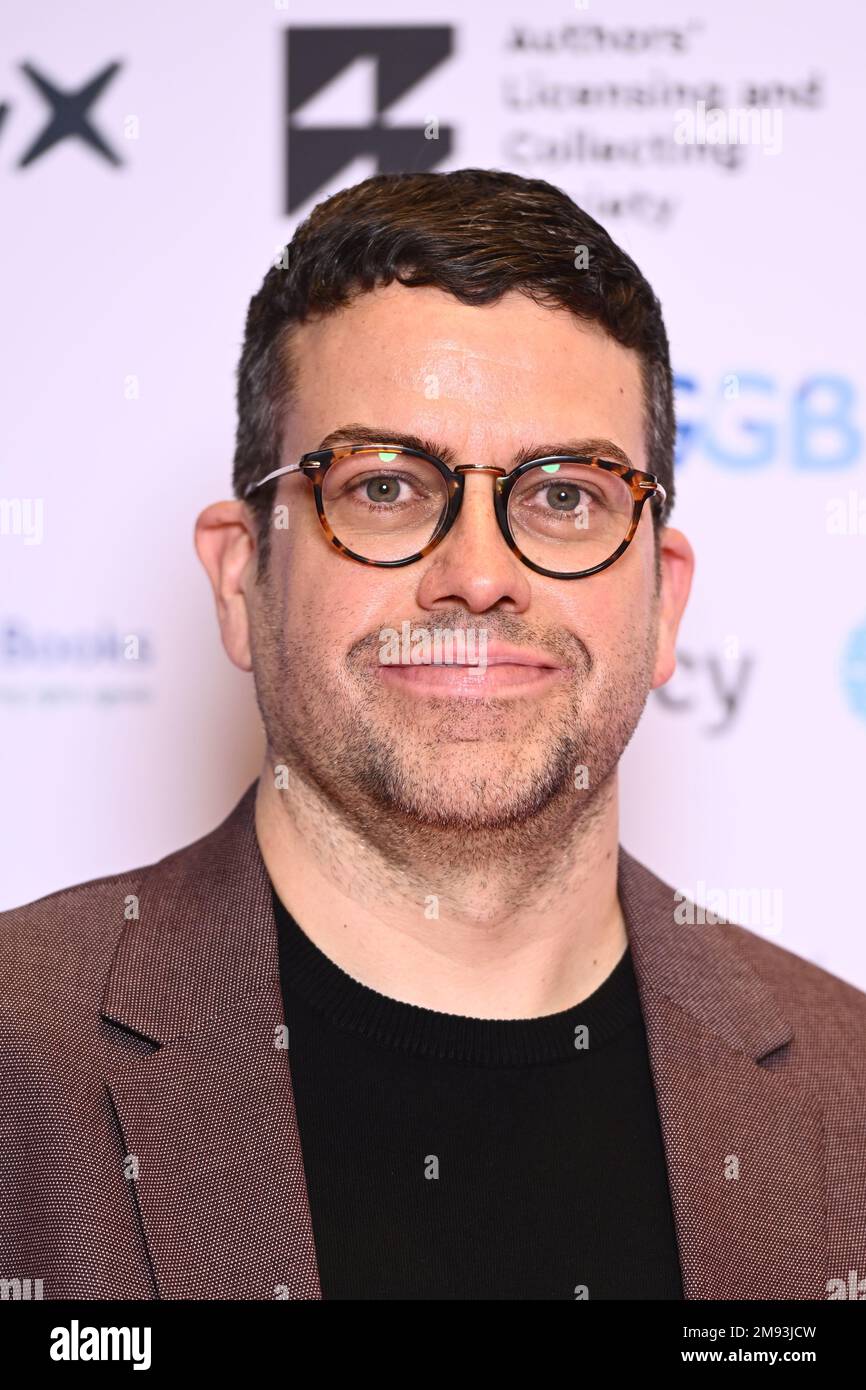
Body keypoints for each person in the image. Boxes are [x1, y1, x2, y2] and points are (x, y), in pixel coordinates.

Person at [2, 169, 864, 1302]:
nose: (477, 576)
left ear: (663, 599)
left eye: (564, 495)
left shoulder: (846, 1089)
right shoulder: (23, 1060)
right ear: (239, 576)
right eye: (385, 488)